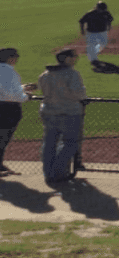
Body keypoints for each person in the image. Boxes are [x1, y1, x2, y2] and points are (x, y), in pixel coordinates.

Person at [38, 49, 86, 184]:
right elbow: (79, 94)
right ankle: (57, 172)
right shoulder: (72, 74)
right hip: (69, 112)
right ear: (68, 59)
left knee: (49, 143)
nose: (77, 58)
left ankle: (48, 173)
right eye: (75, 56)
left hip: (48, 112)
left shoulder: (45, 74)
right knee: (71, 143)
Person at [0, 48, 39, 177]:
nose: (17, 59)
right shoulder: (8, 72)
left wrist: (21, 88)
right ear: (10, 58)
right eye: (16, 56)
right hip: (7, 109)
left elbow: (6, 90)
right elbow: (11, 95)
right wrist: (26, 96)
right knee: (3, 138)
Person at [79, 1, 114, 65]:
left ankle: (93, 53)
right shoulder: (90, 14)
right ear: (97, 8)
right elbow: (81, 21)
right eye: (101, 9)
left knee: (103, 43)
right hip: (91, 32)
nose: (102, 11)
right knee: (92, 45)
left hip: (103, 31)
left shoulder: (106, 13)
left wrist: (109, 26)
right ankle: (93, 60)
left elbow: (110, 20)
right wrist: (82, 30)